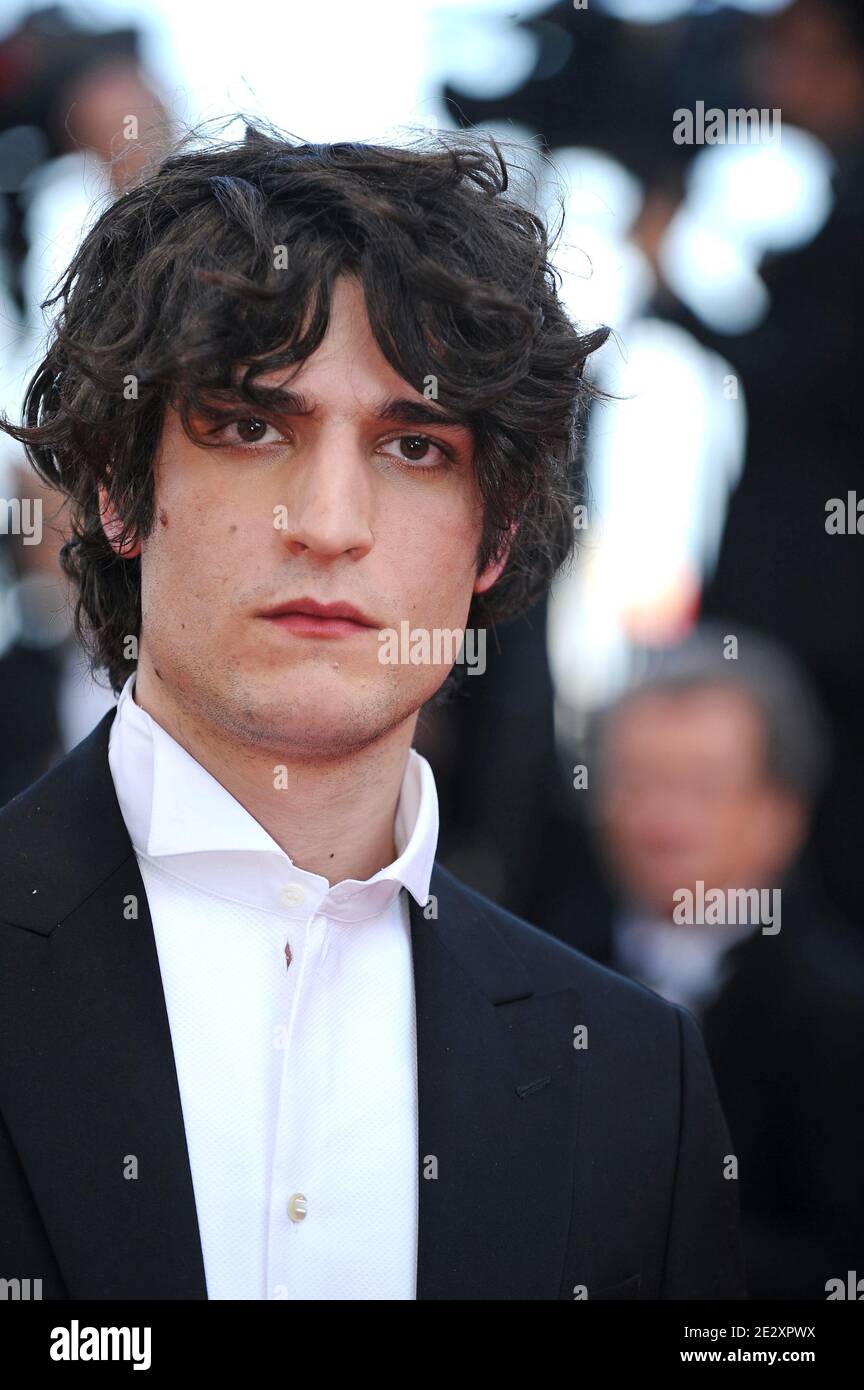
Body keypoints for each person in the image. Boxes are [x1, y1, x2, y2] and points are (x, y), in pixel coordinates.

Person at [0, 123, 745, 1301]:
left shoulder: (633, 1081)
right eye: (251, 426)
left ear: (494, 534)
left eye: (412, 444)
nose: (330, 520)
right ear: (118, 490)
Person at [545, 626, 864, 1299]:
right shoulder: (535, 966)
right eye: (635, 781)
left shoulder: (836, 1014)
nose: (662, 822)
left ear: (781, 810)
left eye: (701, 786)